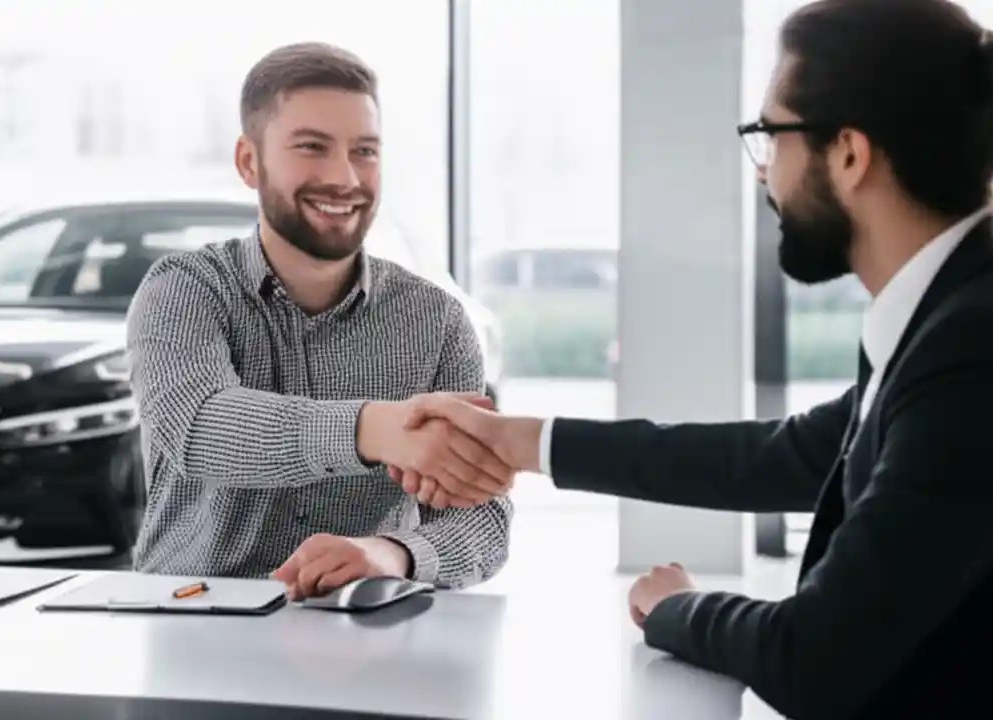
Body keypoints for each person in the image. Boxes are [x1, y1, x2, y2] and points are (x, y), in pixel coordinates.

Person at [393, 1, 993, 716]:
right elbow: (795, 455)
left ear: (849, 154)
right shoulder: (944, 314)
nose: (763, 173)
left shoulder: (969, 352)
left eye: (771, 135)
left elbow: (816, 657)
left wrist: (676, 608)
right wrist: (524, 442)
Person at [126, 42, 514, 600]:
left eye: (365, 151)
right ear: (248, 161)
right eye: (312, 147)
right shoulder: (185, 288)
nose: (345, 177)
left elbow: (484, 520)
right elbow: (198, 427)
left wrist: (390, 553)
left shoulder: (436, 321)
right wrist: (378, 431)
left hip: (365, 628)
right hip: (194, 614)